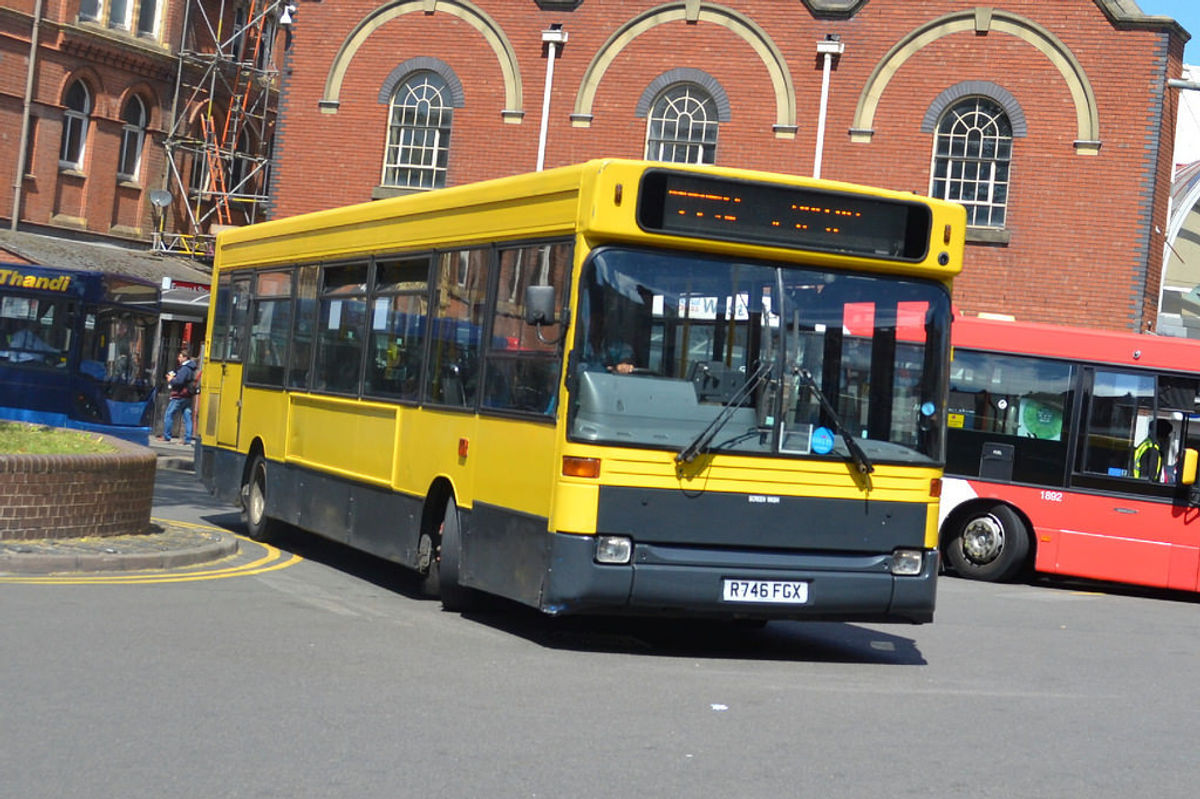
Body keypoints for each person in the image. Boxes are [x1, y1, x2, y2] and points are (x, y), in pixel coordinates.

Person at [161, 349, 198, 445]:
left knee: (169, 414)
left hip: (179, 395)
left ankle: (166, 436)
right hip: (187, 395)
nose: (178, 358)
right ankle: (187, 439)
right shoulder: (190, 368)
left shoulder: (185, 368)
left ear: (185, 357)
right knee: (187, 417)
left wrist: (171, 379)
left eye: (180, 356)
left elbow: (179, 381)